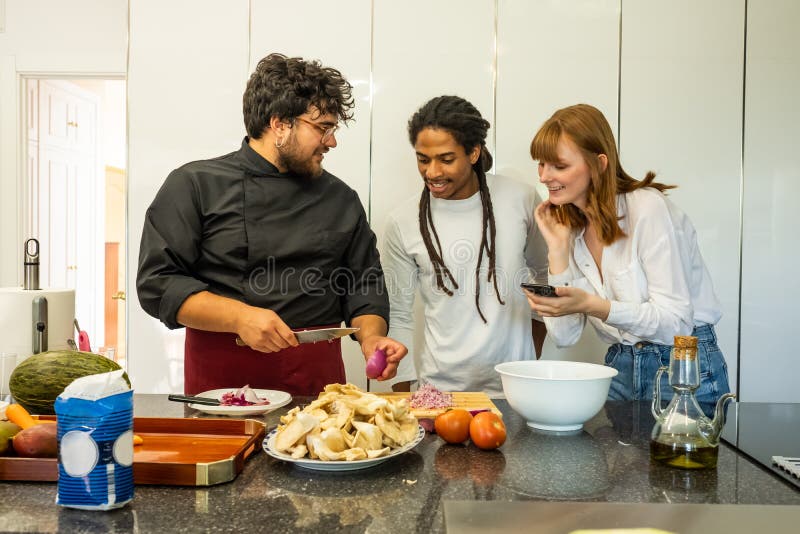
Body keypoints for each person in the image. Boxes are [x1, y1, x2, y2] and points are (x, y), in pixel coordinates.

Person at [137, 53, 406, 396]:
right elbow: (157, 284)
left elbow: (363, 283)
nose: (332, 141)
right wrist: (239, 317)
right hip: (223, 387)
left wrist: (372, 338)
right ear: (279, 124)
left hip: (316, 387)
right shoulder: (194, 185)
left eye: (333, 129)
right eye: (323, 128)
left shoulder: (341, 198)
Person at [525, 103, 730, 408]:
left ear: (599, 163)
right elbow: (564, 336)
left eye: (559, 165)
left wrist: (597, 307)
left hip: (683, 369)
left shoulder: (648, 209)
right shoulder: (570, 227)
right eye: (541, 164)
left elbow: (676, 324)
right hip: (621, 365)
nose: (544, 176)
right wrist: (557, 248)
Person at [382, 96, 548, 397]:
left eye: (446, 159)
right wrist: (404, 400)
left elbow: (546, 277)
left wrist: (528, 364)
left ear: (473, 152)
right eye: (423, 159)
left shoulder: (521, 199)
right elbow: (399, 315)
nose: (432, 172)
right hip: (439, 394)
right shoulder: (403, 221)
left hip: (515, 390)